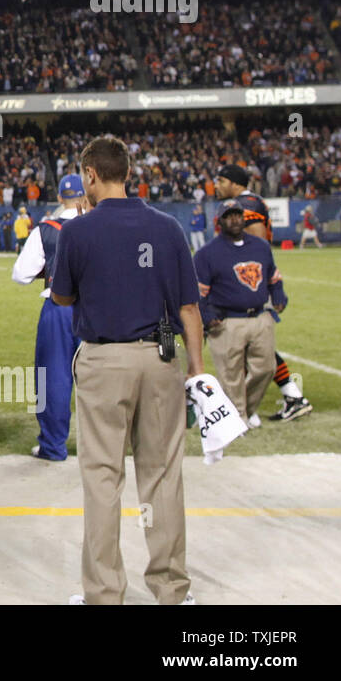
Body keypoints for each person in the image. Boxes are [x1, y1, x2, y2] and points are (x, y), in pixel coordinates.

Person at [49, 135, 203, 606]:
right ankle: (172, 590)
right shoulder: (168, 227)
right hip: (160, 359)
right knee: (163, 476)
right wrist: (197, 372)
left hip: (103, 360)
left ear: (90, 174)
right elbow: (190, 308)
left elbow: (61, 297)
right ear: (128, 173)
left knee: (102, 478)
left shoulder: (77, 231)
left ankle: (103, 593)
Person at [213, 163, 310, 421]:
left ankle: (286, 396)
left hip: (247, 283)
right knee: (247, 347)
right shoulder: (249, 202)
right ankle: (275, 398)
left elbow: (256, 246)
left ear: (235, 183)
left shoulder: (246, 204)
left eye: (221, 181)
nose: (216, 186)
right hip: (246, 282)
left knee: (251, 346)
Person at [11, 173, 86, 461]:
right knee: (100, 379)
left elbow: (21, 274)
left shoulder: (46, 229)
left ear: (59, 198)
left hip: (58, 308)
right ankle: (100, 448)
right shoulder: (98, 225)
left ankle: (53, 446)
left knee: (53, 378)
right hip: (95, 309)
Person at [194, 200, 288, 428]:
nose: (234, 219)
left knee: (266, 368)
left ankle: (243, 410)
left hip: (260, 316)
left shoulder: (260, 246)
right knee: (231, 375)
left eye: (238, 214)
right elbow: (198, 293)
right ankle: (237, 420)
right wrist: (206, 317)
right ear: (219, 221)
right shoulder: (207, 253)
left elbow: (273, 277)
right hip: (226, 320)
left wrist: (278, 296)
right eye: (229, 216)